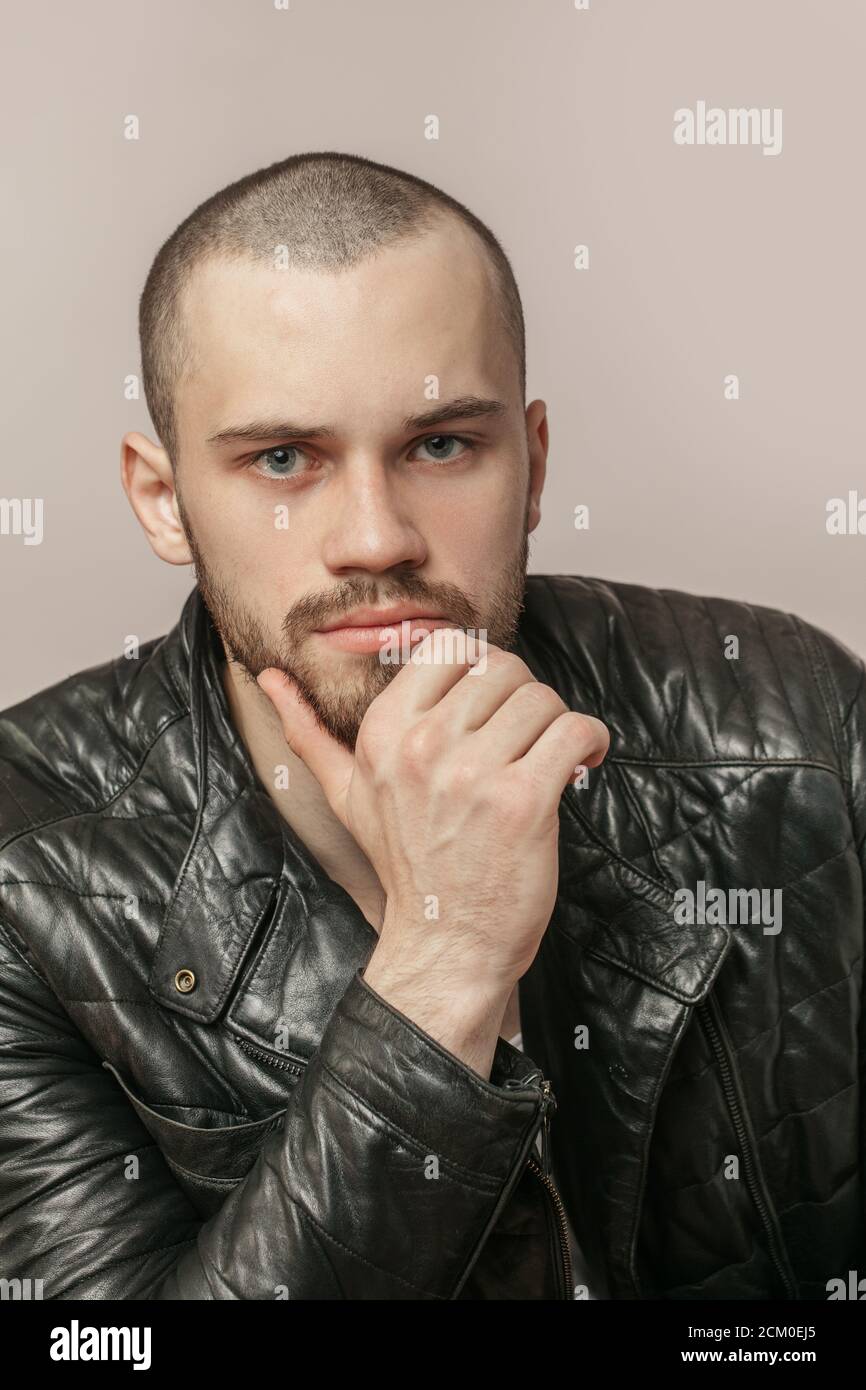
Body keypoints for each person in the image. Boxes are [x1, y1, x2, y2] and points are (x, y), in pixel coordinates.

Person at [0, 151, 862, 1300]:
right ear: (163, 501)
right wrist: (440, 967)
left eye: (440, 445)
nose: (375, 538)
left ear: (534, 462)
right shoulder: (25, 872)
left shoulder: (796, 724)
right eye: (282, 459)